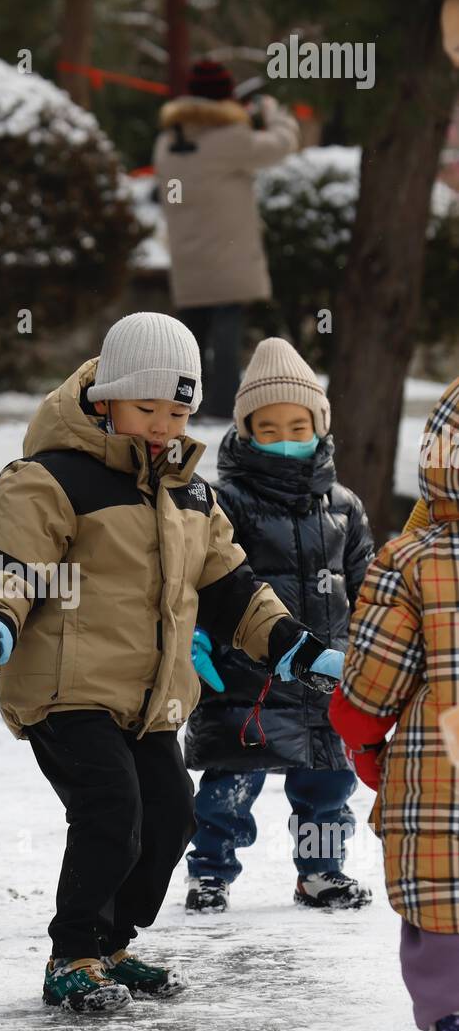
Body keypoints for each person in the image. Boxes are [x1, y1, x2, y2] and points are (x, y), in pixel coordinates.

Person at [0, 313, 343, 1013]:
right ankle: (74, 954)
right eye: (147, 407)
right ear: (105, 399)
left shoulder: (190, 493)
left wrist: (294, 645)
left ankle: (112, 944)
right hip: (66, 692)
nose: (163, 424)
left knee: (170, 819)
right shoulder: (52, 480)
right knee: (111, 810)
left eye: (179, 410)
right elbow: (8, 568)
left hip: (150, 698)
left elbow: (233, 589)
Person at [183, 339, 375, 912]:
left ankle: (320, 871)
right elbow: (200, 577)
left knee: (328, 786)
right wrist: (195, 637)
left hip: (325, 678)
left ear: (320, 426)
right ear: (246, 432)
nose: (287, 437)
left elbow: (369, 589)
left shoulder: (343, 506)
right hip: (244, 676)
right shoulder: (226, 502)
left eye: (299, 424)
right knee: (228, 787)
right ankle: (209, 872)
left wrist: (377, 647)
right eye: (270, 428)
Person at [329, 380, 459, 1031]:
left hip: (437, 770)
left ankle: (455, 1026)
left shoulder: (410, 559)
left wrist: (358, 730)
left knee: (441, 900)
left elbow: (374, 678)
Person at [152, 58, 299, 420]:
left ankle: (187, 403)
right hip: (229, 254)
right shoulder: (230, 139)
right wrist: (274, 113)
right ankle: (223, 405)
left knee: (192, 334)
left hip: (188, 253)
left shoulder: (168, 141)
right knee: (227, 329)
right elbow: (282, 144)